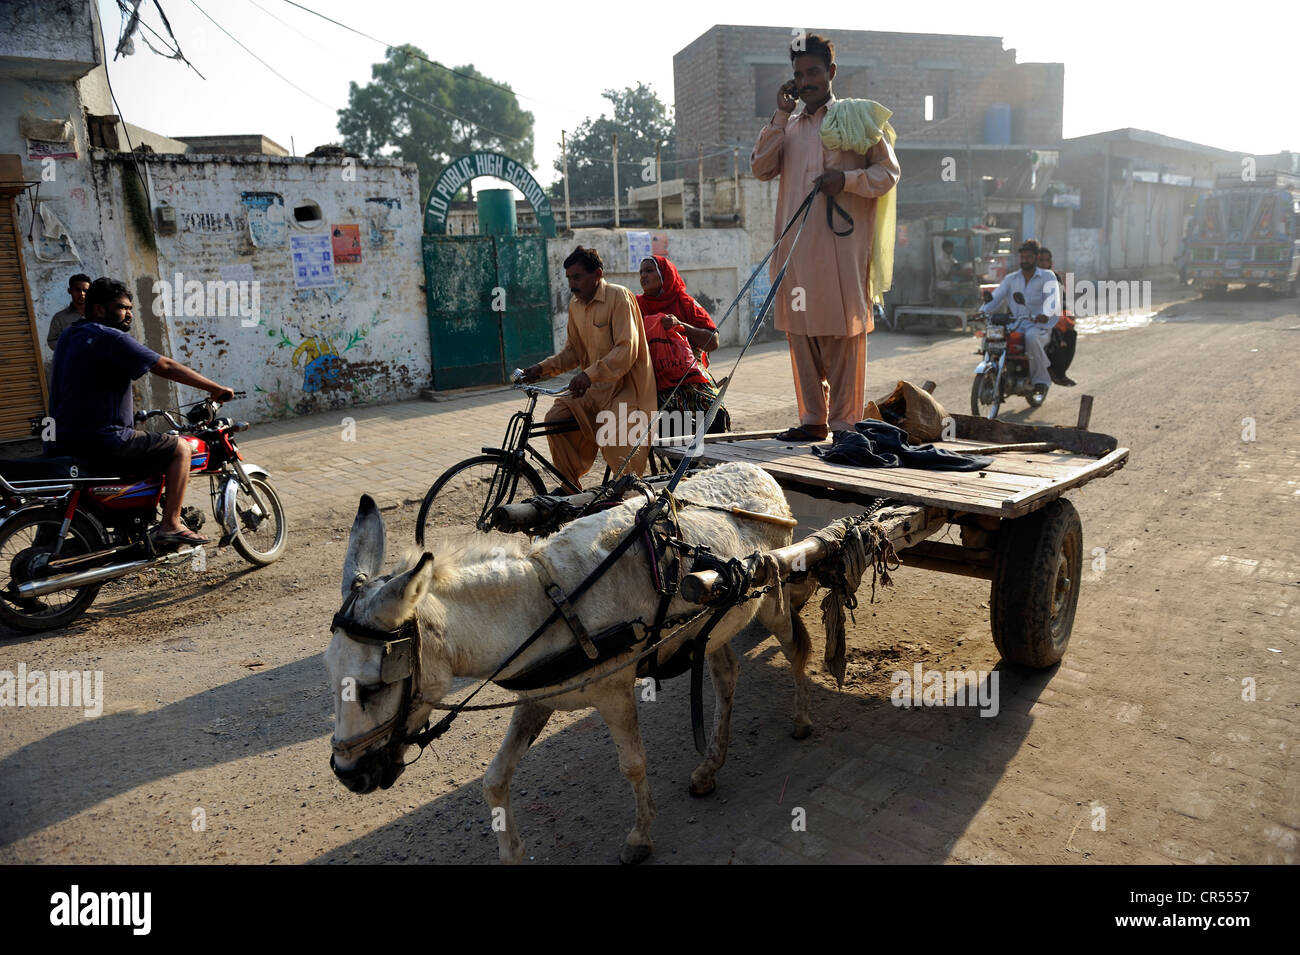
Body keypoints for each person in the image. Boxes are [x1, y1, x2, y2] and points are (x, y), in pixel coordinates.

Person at [751, 32, 900, 443]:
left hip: (841, 255)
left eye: (813, 72)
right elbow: (761, 168)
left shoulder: (856, 119)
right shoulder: (789, 128)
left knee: (843, 337)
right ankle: (813, 421)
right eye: (799, 75)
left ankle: (846, 427)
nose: (806, 81)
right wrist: (779, 115)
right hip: (795, 255)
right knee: (801, 336)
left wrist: (846, 180)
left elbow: (888, 174)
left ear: (831, 72)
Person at [50, 277, 236, 546]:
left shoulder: (69, 334)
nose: (128, 314)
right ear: (100, 309)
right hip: (106, 439)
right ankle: (170, 524)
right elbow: (165, 367)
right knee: (180, 448)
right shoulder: (108, 336)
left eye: (130, 308)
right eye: (123, 307)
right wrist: (215, 388)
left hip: (66, 439)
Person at [519, 247, 656, 490]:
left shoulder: (619, 297)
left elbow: (626, 350)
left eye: (577, 277)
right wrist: (540, 369)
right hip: (592, 391)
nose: (572, 284)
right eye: (569, 278)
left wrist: (588, 375)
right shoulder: (576, 306)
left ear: (598, 274)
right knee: (555, 418)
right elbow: (573, 352)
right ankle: (570, 486)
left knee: (618, 450)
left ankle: (633, 498)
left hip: (626, 390)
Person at [635, 255, 730, 437]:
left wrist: (681, 325)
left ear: (664, 274)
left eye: (649, 270)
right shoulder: (637, 305)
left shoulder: (685, 302)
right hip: (654, 379)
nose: (643, 276)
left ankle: (705, 458)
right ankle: (682, 464)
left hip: (690, 376)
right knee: (670, 418)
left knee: (715, 411)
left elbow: (713, 341)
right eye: (640, 272)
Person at [978, 239, 1060, 398]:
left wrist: (1045, 314)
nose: (1025, 261)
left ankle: (1041, 381)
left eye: (1028, 257)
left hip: (1038, 326)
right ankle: (991, 372)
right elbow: (995, 298)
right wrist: (981, 312)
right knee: (990, 335)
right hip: (1015, 324)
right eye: (1022, 257)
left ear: (1036, 258)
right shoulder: (1011, 279)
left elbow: (1053, 300)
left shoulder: (1047, 276)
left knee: (1031, 337)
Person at [1037, 246, 1077, 387]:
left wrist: (1067, 315)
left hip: (1048, 318)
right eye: (1040, 260)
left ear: (1050, 262)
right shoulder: (1025, 276)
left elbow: (1062, 300)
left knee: (1069, 335)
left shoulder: (1054, 277)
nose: (1043, 264)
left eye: (1046, 261)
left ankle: (1059, 373)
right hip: (1027, 318)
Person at [47, 273, 91, 350]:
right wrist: (70, 345)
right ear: (69, 291)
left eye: (85, 290)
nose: (82, 294)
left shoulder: (98, 313)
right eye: (77, 290)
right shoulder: (60, 318)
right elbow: (51, 341)